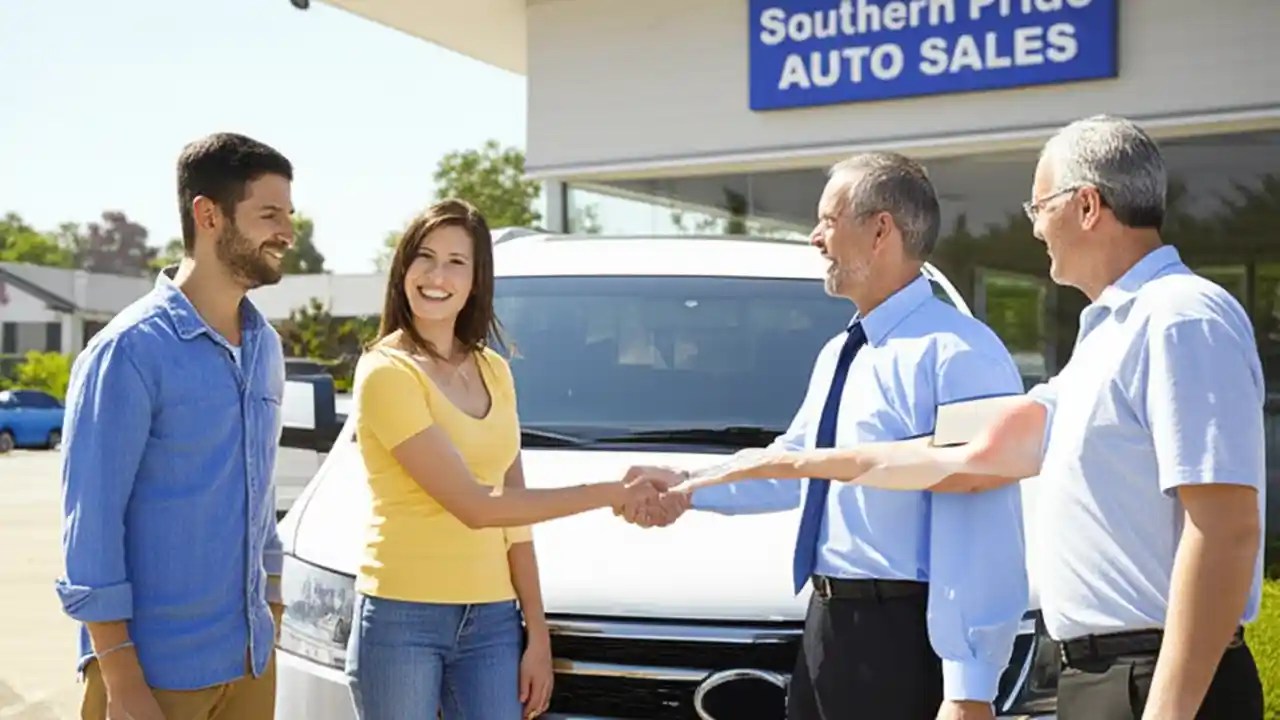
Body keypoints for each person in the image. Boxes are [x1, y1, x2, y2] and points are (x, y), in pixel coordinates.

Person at [680, 116, 1267, 720]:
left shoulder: (1181, 318)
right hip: (1100, 675)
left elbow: (1225, 530)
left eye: (1039, 205)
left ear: (1088, 205)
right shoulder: (1105, 338)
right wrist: (790, 463)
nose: (1033, 226)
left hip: (1160, 679)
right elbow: (967, 460)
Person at [620, 152, 1029, 720]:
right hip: (829, 630)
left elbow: (982, 523)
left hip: (904, 642)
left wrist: (968, 687)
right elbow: (796, 464)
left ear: (880, 229)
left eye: (828, 221)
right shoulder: (842, 351)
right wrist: (689, 485)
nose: (814, 238)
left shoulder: (961, 355)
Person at [342, 198, 659, 720]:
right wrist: (610, 494)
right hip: (403, 617)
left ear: (475, 280)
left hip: (491, 621)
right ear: (403, 267)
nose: (436, 275)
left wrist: (536, 633)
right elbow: (477, 507)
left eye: (456, 262)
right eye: (424, 256)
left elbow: (516, 517)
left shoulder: (493, 370)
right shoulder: (386, 373)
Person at [56, 132, 297, 720]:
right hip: (153, 678)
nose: (287, 233)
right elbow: (90, 534)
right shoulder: (129, 352)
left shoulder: (265, 347)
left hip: (249, 669)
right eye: (269, 214)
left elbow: (260, 504)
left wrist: (273, 610)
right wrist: (123, 685)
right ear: (208, 214)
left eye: (288, 215)